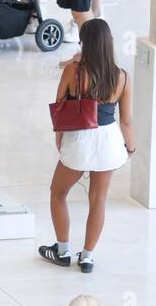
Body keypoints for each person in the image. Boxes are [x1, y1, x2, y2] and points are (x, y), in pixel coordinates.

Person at [39, 19, 134, 273]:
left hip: (80, 140)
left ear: (85, 44)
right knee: (98, 200)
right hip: (109, 142)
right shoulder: (122, 76)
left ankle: (61, 251)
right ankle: (88, 257)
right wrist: (131, 148)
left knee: (58, 193)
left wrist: (59, 136)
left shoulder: (74, 70)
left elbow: (59, 104)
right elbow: (125, 121)